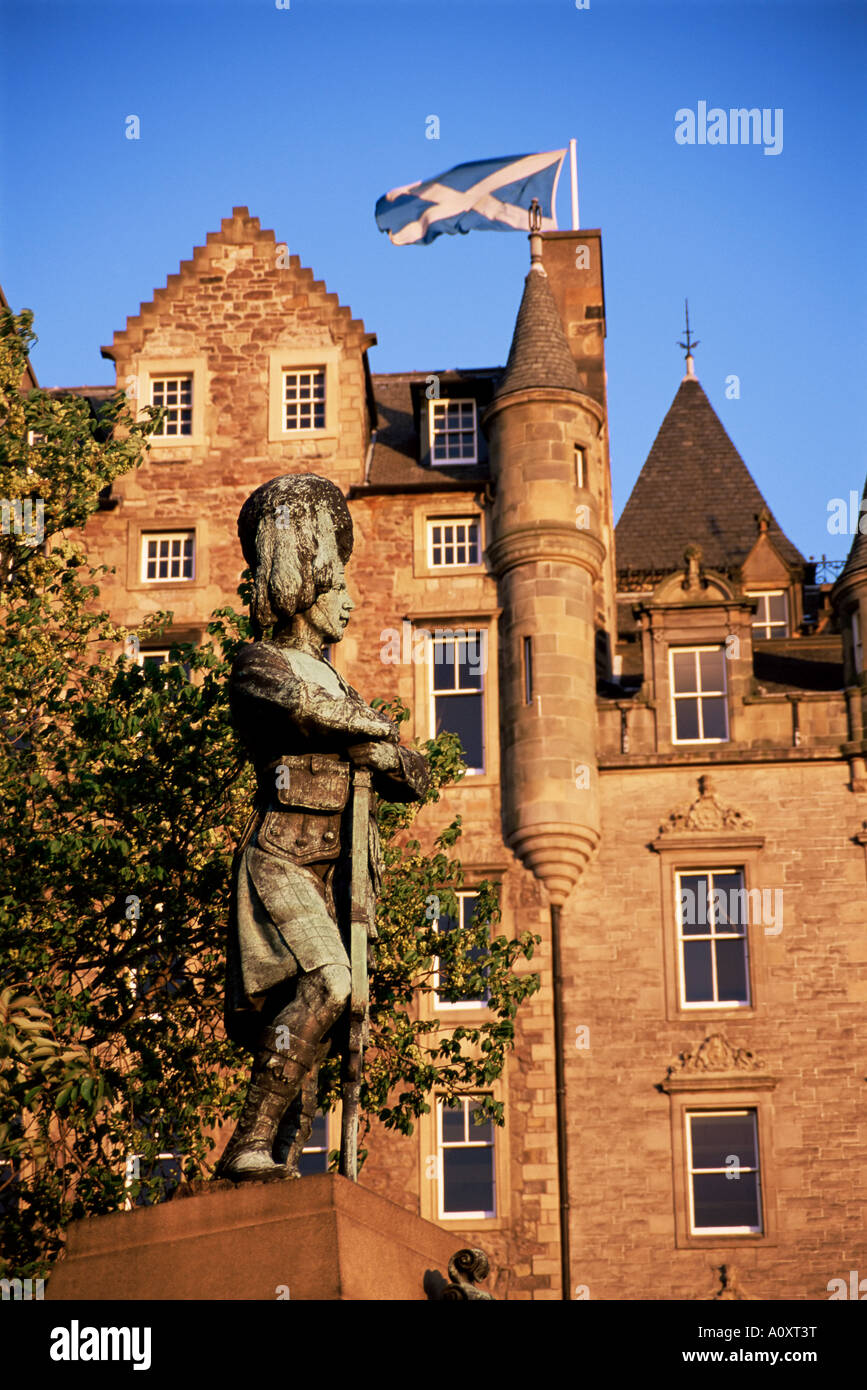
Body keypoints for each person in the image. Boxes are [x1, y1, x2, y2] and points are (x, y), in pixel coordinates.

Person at [216, 473, 428, 1182]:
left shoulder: (342, 684)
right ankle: (247, 1142)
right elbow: (297, 708)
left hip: (340, 875)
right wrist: (369, 732)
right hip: (281, 856)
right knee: (331, 985)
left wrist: (383, 748)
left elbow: (414, 775)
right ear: (309, 587)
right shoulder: (262, 661)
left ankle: (274, 1165)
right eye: (339, 586)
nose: (353, 601)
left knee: (326, 1020)